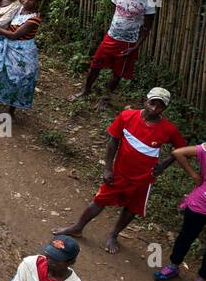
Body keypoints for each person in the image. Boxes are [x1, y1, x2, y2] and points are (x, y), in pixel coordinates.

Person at [54, 87, 187, 252]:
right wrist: (108, 168)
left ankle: (114, 235)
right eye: (152, 103)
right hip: (119, 173)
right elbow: (113, 142)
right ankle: (77, 227)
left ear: (164, 109)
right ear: (146, 100)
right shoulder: (127, 116)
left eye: (159, 106)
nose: (154, 108)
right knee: (99, 200)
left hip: (144, 179)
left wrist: (162, 166)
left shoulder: (168, 129)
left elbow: (182, 150)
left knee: (132, 209)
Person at [71, 0, 157, 100]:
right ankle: (85, 90)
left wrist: (135, 47)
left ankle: (105, 98)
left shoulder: (148, 2)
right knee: (95, 65)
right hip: (110, 37)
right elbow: (115, 12)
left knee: (118, 73)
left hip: (128, 43)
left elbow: (147, 27)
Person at [153, 140, 206, 281]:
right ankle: (173, 266)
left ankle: (201, 279)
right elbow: (178, 152)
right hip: (200, 203)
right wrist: (195, 175)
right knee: (186, 236)